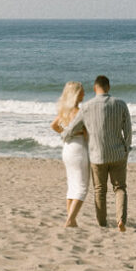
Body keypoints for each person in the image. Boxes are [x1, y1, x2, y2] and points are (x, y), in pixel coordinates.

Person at [61, 75, 132, 229]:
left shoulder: (87, 107)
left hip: (97, 155)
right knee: (120, 188)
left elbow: (73, 127)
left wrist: (64, 135)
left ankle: (102, 223)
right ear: (109, 87)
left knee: (100, 190)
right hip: (118, 154)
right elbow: (128, 130)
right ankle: (121, 220)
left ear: (95, 88)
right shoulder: (120, 104)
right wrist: (127, 149)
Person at [50, 81, 89, 228]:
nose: (84, 94)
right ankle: (70, 219)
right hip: (79, 148)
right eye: (82, 92)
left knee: (72, 185)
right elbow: (87, 132)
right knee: (82, 187)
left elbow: (53, 125)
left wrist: (65, 134)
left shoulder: (64, 111)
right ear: (76, 94)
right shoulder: (80, 112)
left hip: (67, 148)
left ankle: (71, 219)